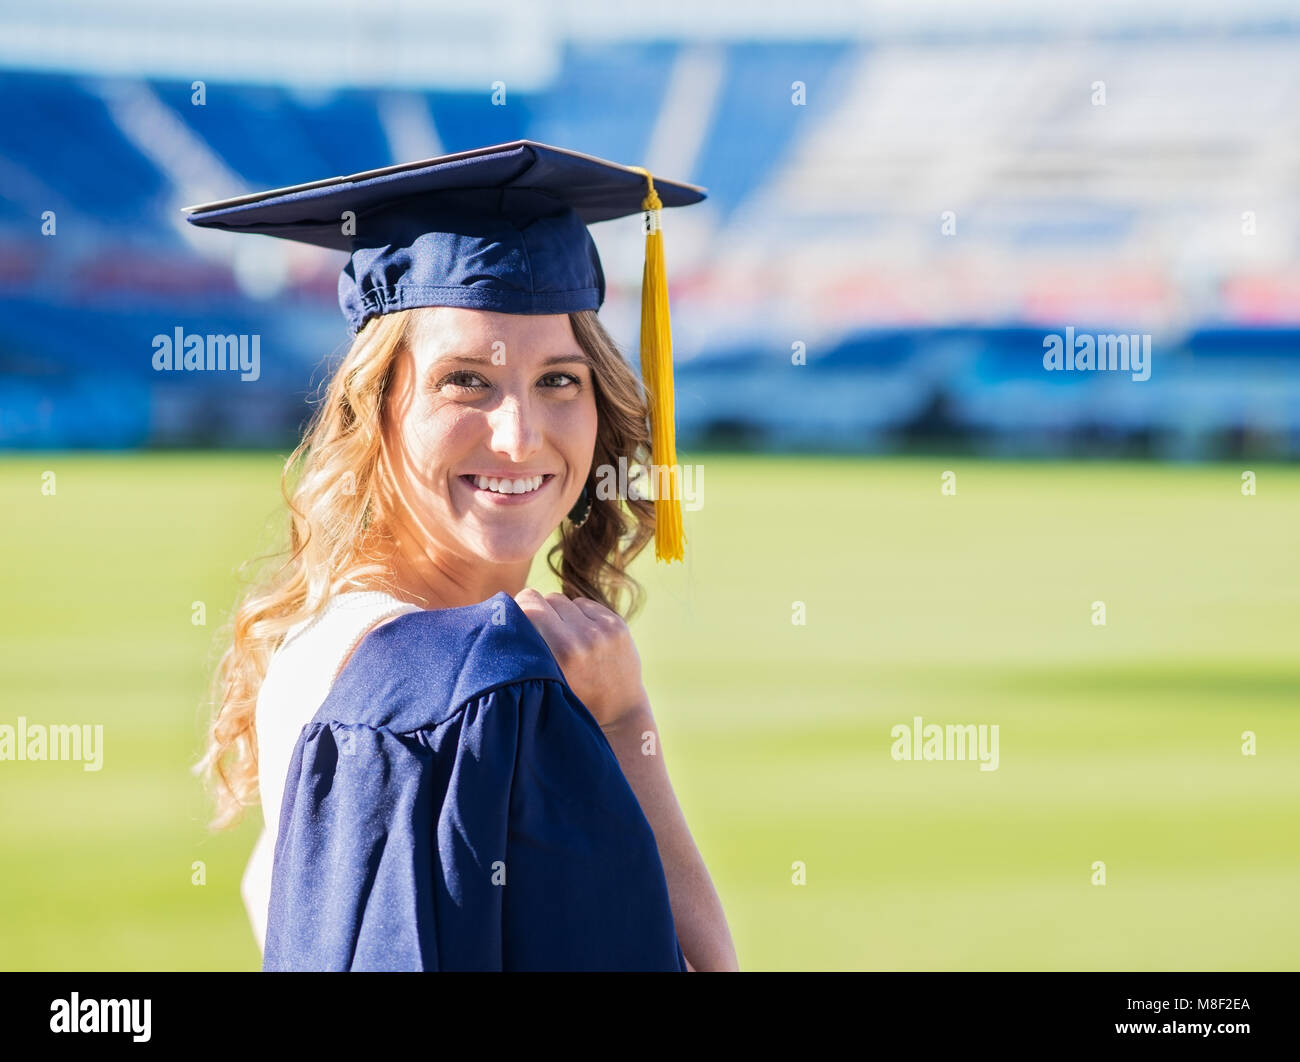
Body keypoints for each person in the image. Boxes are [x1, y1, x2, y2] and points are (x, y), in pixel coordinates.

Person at [190, 140, 738, 971]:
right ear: (374, 407)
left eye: (559, 379)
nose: (519, 436)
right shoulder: (478, 683)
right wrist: (625, 721)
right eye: (465, 382)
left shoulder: (323, 642)